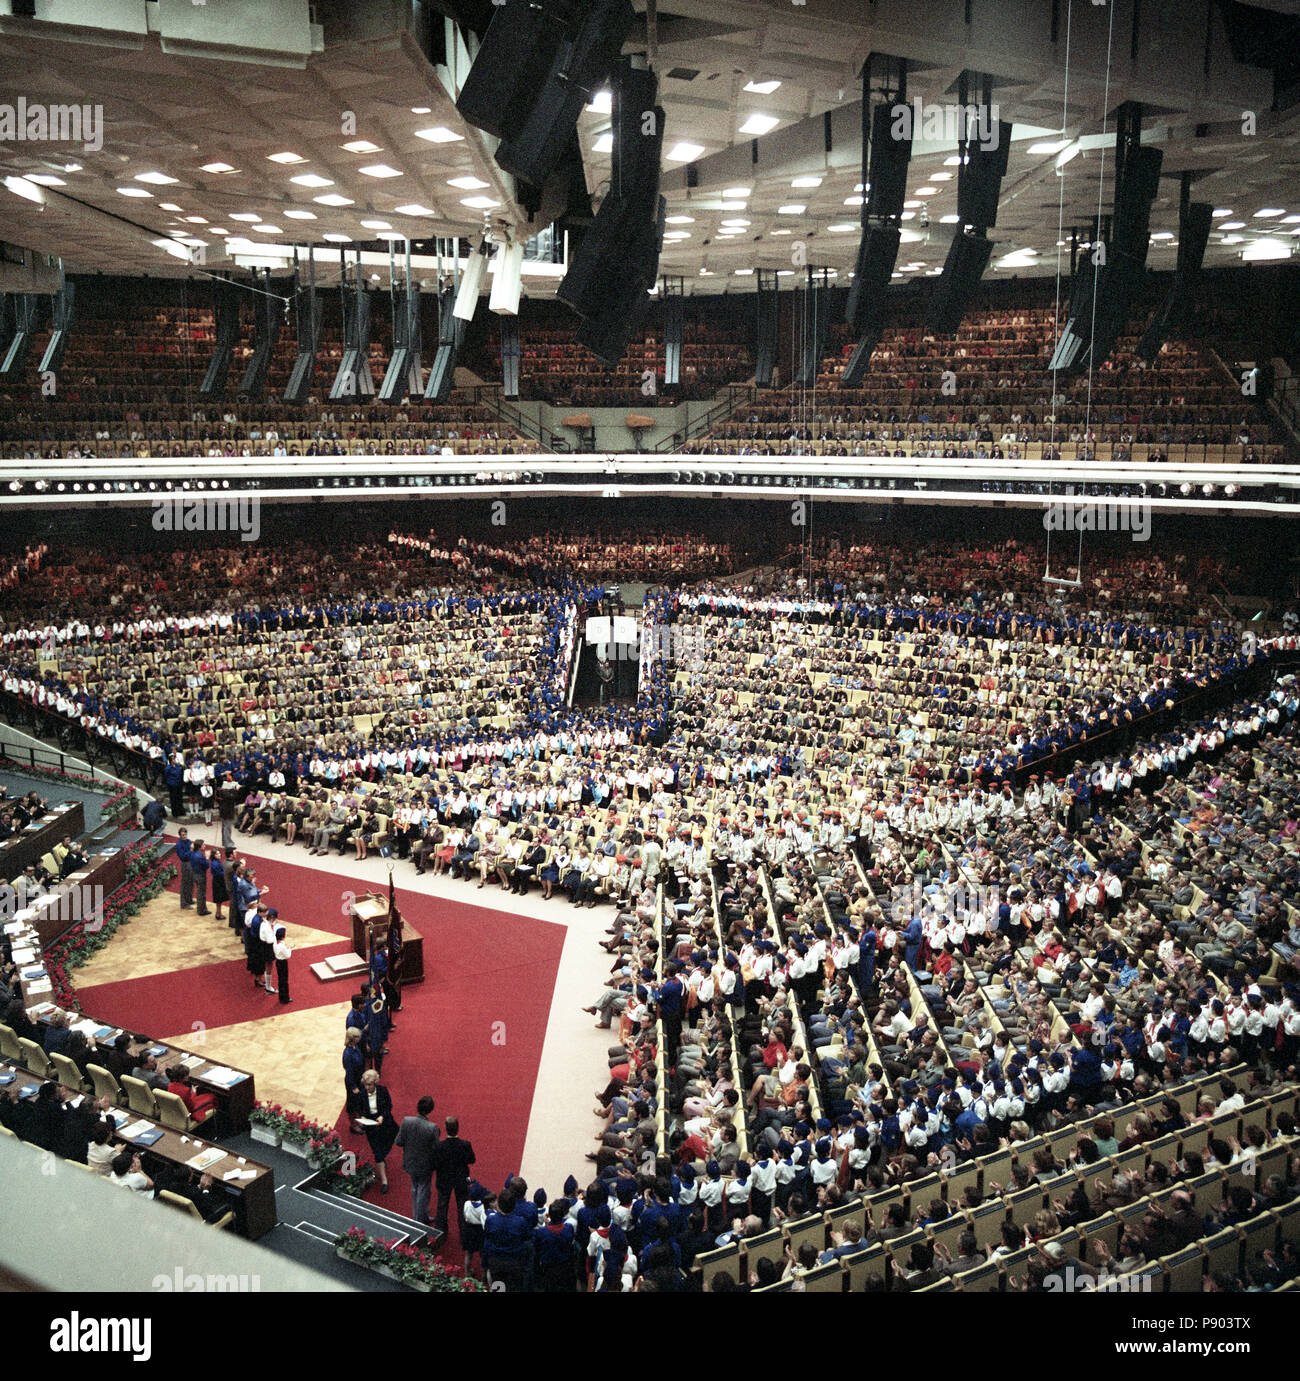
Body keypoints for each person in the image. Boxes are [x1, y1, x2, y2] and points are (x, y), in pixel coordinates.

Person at [348, 1068, 398, 1193]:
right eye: (365, 1085)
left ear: (375, 1083)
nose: (367, 1087)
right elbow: (359, 1108)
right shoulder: (362, 1095)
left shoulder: (383, 1090)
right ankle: (384, 1180)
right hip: (371, 1127)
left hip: (385, 1123)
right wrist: (363, 1116)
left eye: (369, 1085)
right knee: (378, 1153)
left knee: (389, 1142)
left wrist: (382, 1116)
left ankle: (383, 1157)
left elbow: (388, 1106)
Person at [394, 1095, 440, 1225]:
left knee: (415, 1188)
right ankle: (418, 1220)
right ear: (431, 1110)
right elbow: (437, 1148)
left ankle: (420, 1216)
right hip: (425, 1165)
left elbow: (398, 1141)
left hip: (410, 1162)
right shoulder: (432, 1128)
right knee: (423, 1190)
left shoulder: (406, 1121)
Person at [432, 1114, 477, 1243]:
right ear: (458, 1128)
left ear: (445, 1128)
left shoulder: (439, 1146)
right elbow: (472, 1160)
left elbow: (435, 1163)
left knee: (442, 1206)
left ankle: (440, 1233)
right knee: (462, 1206)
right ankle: (464, 1234)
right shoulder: (465, 1145)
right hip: (460, 1179)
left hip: (444, 1179)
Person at [342, 1027, 365, 1101]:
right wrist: (354, 1086)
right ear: (352, 1038)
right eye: (357, 1037)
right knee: (353, 1099)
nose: (359, 1038)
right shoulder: (348, 1054)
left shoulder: (355, 1046)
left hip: (358, 1075)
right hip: (353, 1078)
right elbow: (349, 1072)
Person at [272, 921, 292, 1004]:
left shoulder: (275, 943)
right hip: (283, 963)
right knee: (284, 980)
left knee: (281, 980)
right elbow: (287, 955)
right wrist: (290, 948)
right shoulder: (281, 946)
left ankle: (282, 997)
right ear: (283, 936)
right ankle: (285, 998)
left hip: (278, 962)